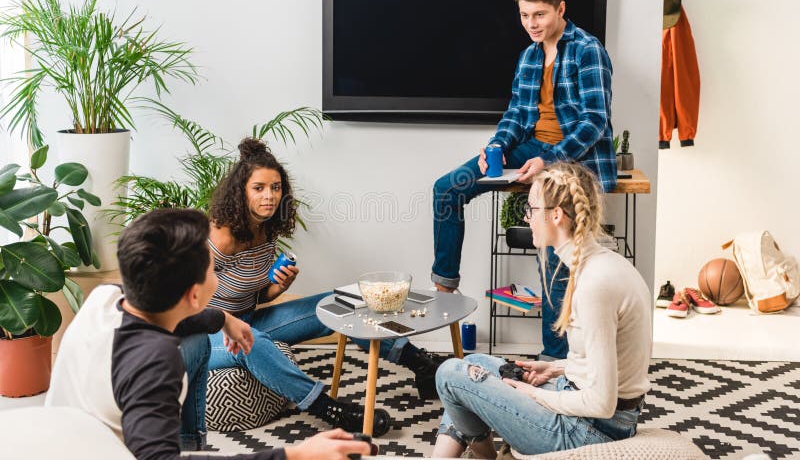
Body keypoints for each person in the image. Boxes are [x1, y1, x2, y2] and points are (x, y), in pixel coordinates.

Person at [46, 208, 372, 460]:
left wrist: (224, 318)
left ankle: (191, 445)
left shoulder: (104, 299)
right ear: (193, 294)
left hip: (55, 443)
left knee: (197, 339)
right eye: (211, 269)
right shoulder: (156, 360)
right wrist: (294, 454)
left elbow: (188, 319)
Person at [186, 137, 444, 438]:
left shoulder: (265, 228)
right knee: (251, 339)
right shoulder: (220, 237)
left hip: (248, 318)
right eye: (259, 188)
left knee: (340, 303)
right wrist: (226, 323)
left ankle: (420, 364)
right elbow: (186, 302)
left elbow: (252, 296)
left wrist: (277, 288)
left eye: (276, 187)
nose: (269, 196)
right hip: (205, 334)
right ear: (240, 192)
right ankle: (328, 409)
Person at [431, 0, 617, 359]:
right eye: (524, 15)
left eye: (540, 15)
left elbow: (594, 121)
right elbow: (516, 114)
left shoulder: (588, 50)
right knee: (447, 188)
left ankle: (554, 359)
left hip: (574, 159)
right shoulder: (529, 56)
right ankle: (445, 286)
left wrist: (547, 159)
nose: (531, 24)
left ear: (560, 8)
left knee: (552, 248)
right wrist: (496, 145)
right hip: (531, 147)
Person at [431, 162, 651, 458]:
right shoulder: (601, 264)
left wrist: (537, 395)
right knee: (476, 364)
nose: (526, 218)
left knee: (450, 373)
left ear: (556, 215)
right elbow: (606, 361)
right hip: (582, 402)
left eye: (531, 209)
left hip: (591, 429)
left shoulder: (595, 285)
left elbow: (602, 402)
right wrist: (555, 368)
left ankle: (484, 456)